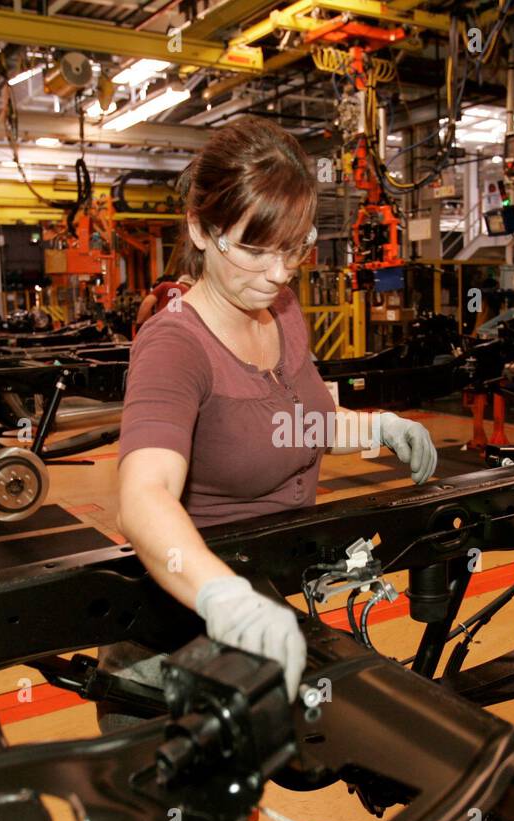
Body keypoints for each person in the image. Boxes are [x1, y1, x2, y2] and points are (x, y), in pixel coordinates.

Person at [107, 116, 437, 722]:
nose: (281, 272)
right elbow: (144, 495)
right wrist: (223, 598)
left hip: (263, 605)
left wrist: (375, 427)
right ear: (201, 230)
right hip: (170, 651)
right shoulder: (175, 345)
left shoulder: (282, 311)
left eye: (295, 247)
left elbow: (298, 423)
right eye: (258, 251)